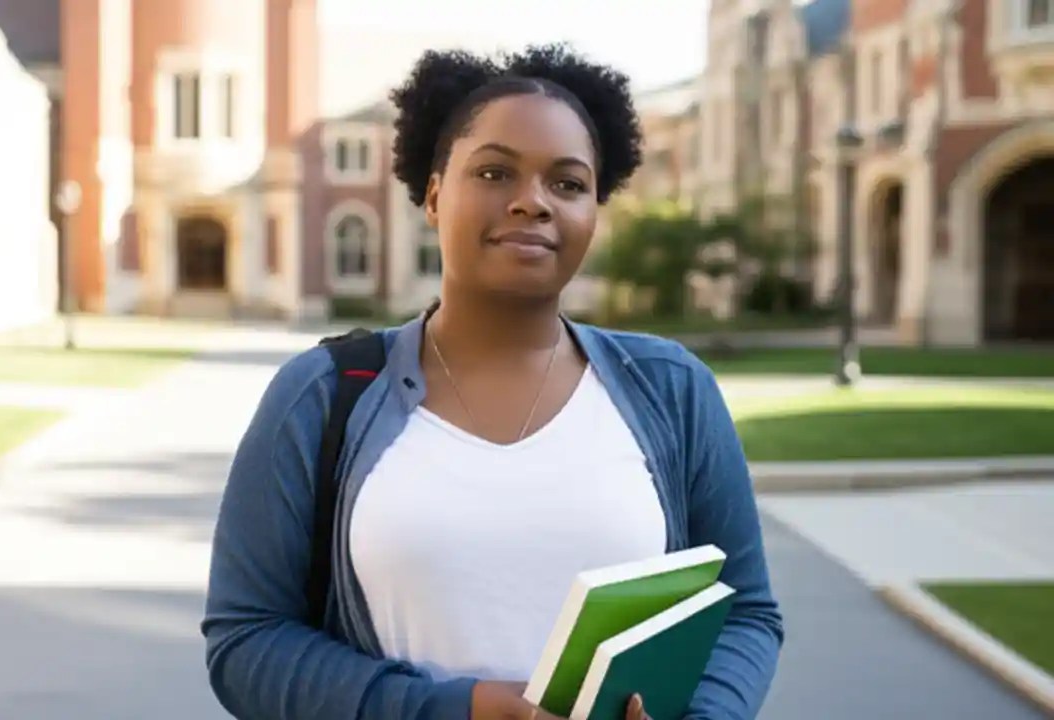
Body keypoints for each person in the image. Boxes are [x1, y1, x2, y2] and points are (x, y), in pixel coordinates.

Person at [202, 43, 784, 720]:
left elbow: (744, 613)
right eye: (494, 172)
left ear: (595, 212)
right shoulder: (324, 394)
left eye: (568, 184)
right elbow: (246, 641)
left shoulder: (672, 390)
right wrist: (458, 709)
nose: (532, 202)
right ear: (433, 196)